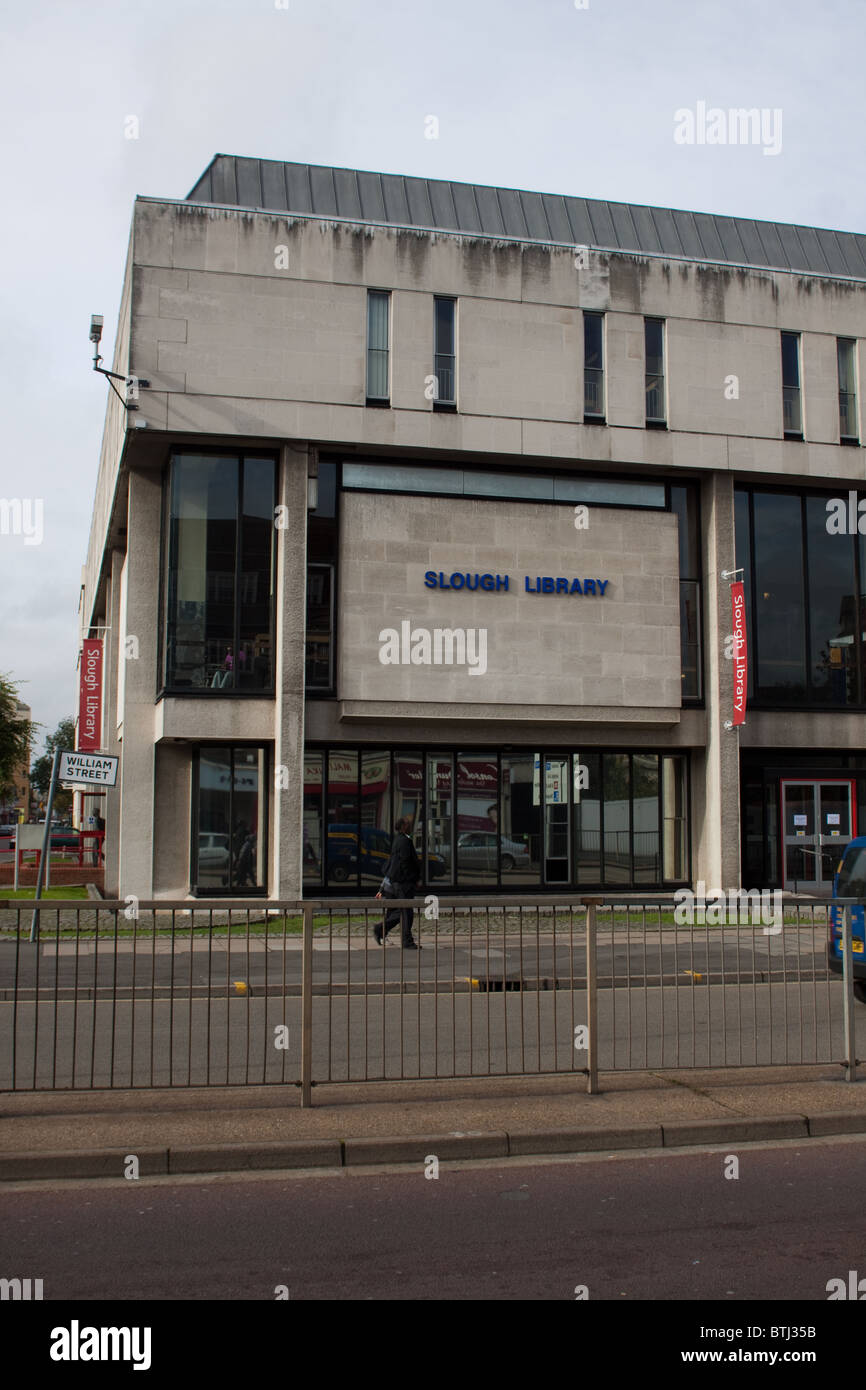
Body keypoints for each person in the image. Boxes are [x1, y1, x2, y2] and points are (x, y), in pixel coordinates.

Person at [374, 816, 421, 948]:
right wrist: (412, 878)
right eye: (409, 824)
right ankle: (405, 940)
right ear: (403, 826)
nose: (411, 826)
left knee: (400, 910)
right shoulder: (405, 841)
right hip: (403, 882)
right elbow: (405, 862)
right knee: (406, 911)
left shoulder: (398, 840)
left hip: (397, 881)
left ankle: (383, 931)